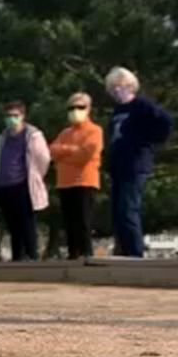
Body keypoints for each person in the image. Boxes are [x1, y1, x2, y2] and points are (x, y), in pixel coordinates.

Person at [105, 66, 173, 258]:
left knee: (128, 210)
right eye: (112, 88)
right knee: (118, 213)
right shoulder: (117, 111)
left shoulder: (141, 105)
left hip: (136, 165)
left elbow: (165, 121)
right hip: (119, 166)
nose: (116, 90)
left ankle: (136, 254)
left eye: (119, 86)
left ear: (130, 86)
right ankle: (124, 251)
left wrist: (150, 143)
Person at [0, 101, 51, 261]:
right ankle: (17, 259)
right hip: (5, 186)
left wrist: (36, 177)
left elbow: (44, 158)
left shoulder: (32, 135)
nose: (11, 119)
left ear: (23, 116)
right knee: (13, 227)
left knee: (27, 225)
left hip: (23, 185)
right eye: (8, 116)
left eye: (15, 116)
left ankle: (32, 257)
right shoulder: (2, 137)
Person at [49, 92, 105, 259]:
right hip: (65, 183)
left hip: (85, 181)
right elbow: (52, 151)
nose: (75, 110)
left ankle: (87, 253)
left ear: (89, 109)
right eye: (71, 107)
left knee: (83, 221)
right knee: (69, 222)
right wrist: (72, 150)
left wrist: (64, 154)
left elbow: (86, 155)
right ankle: (73, 253)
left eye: (80, 107)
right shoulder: (65, 133)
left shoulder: (95, 130)